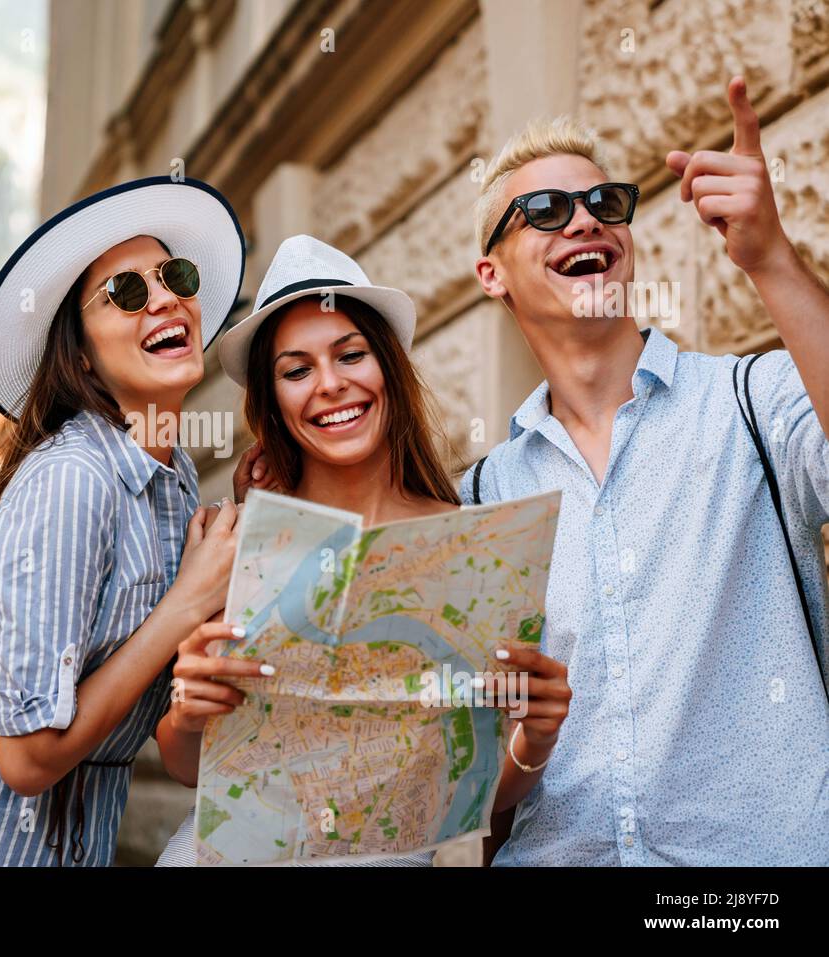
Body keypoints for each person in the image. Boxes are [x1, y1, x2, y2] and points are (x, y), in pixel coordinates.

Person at [465, 76, 829, 865]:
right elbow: (465, 778)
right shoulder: (483, 498)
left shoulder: (750, 403)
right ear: (491, 273)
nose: (586, 219)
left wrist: (770, 260)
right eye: (546, 211)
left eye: (603, 202)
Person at [0, 176, 246, 866]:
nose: (168, 297)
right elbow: (26, 759)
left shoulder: (174, 480)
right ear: (80, 352)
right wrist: (185, 606)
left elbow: (175, 725)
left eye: (174, 274)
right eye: (125, 291)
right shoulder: (73, 479)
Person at [154, 235, 572, 866]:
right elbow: (189, 767)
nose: (329, 385)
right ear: (273, 401)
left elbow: (475, 796)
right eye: (296, 370)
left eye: (351, 355)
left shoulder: (468, 547)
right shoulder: (239, 539)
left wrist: (535, 737)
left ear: (388, 368)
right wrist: (189, 710)